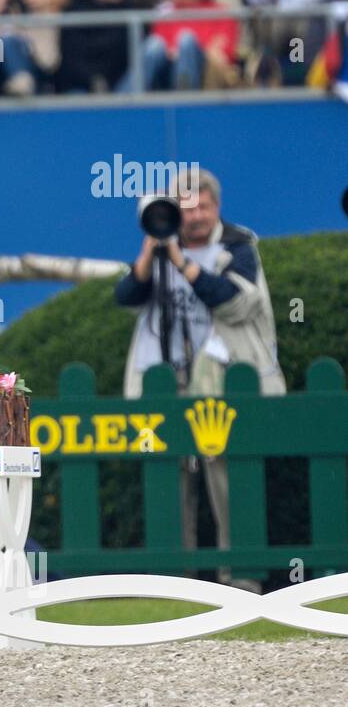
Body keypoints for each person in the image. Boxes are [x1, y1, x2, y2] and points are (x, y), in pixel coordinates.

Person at [114, 169, 285, 590]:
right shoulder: (157, 250)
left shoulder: (238, 246)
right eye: (186, 209)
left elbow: (235, 303)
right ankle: (179, 584)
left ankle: (240, 578)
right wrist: (150, 250)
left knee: (228, 475)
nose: (196, 217)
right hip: (167, 381)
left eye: (203, 207)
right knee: (170, 478)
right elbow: (125, 298)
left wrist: (181, 262)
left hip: (225, 382)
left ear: (217, 207)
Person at [143, 0, 241, 90]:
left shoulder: (221, 13)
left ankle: (186, 101)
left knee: (186, 40)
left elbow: (226, 54)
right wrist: (205, 47)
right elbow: (160, 51)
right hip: (165, 78)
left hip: (205, 78)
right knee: (154, 45)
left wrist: (185, 51)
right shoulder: (166, 14)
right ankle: (124, 102)